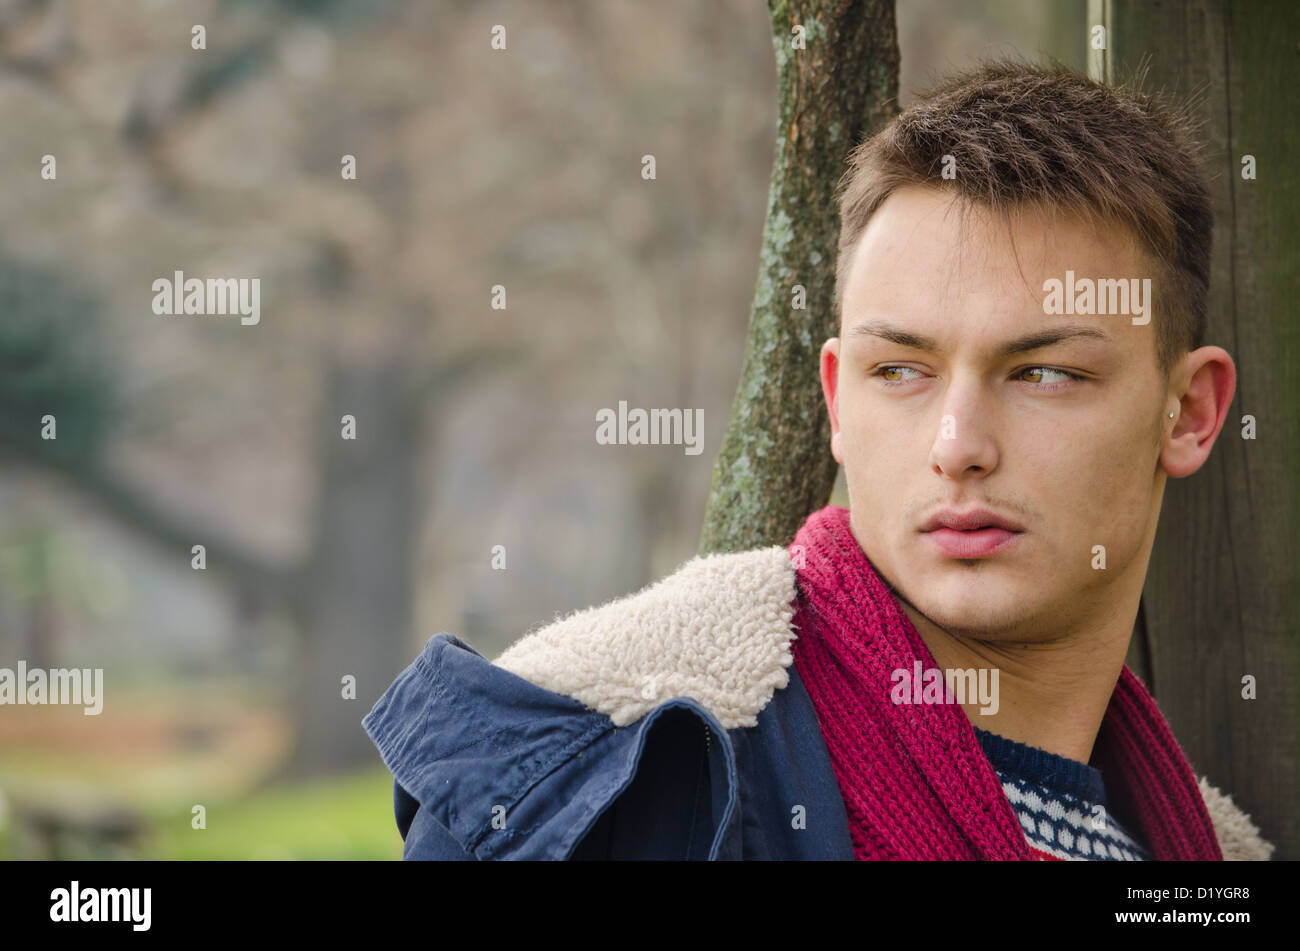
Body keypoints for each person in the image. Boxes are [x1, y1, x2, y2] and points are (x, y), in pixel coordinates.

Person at [363, 61, 1273, 861]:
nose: (957, 446)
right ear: (837, 400)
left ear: (1188, 414)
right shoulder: (600, 778)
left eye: (1042, 372)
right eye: (901, 371)